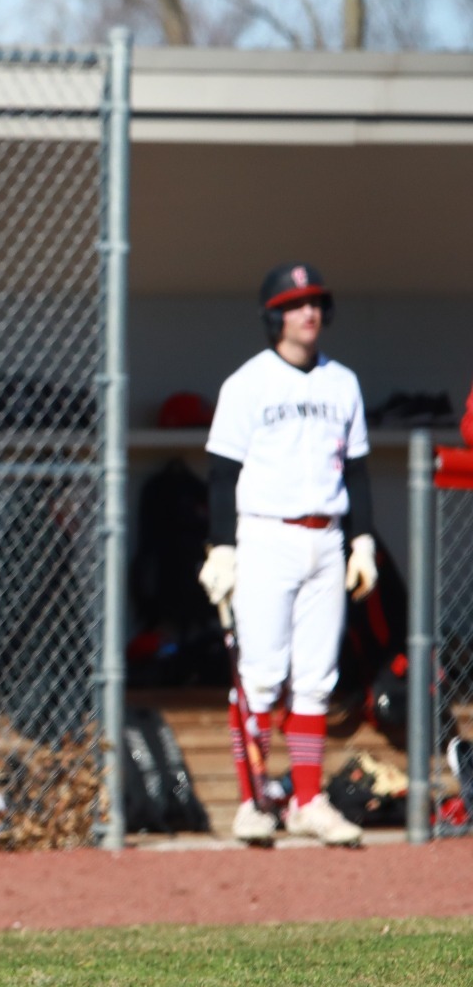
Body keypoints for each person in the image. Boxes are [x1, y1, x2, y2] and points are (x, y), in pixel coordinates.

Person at [198, 263, 375, 847]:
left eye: (317, 303)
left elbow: (358, 470)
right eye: (298, 305)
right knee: (261, 674)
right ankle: (252, 801)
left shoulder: (342, 382)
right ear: (275, 315)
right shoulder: (247, 383)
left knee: (317, 678)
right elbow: (221, 474)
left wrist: (363, 541)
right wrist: (223, 549)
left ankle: (306, 799)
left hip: (326, 536)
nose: (310, 314)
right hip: (266, 535)